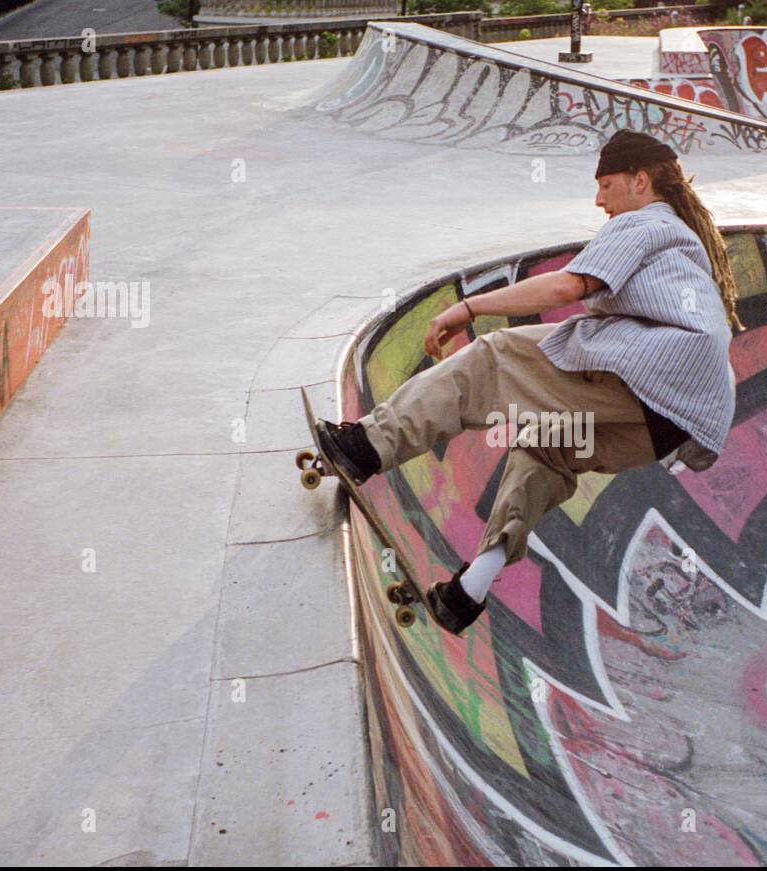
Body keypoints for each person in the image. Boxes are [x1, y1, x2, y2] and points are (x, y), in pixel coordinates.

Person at [312, 130, 738, 635]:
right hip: (672, 424)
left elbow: (567, 286)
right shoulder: (685, 245)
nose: (599, 200)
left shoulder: (644, 224)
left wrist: (468, 307)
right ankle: (468, 592)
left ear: (639, 181)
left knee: (493, 357)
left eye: (606, 185)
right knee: (548, 445)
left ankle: (363, 447)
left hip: (651, 378)